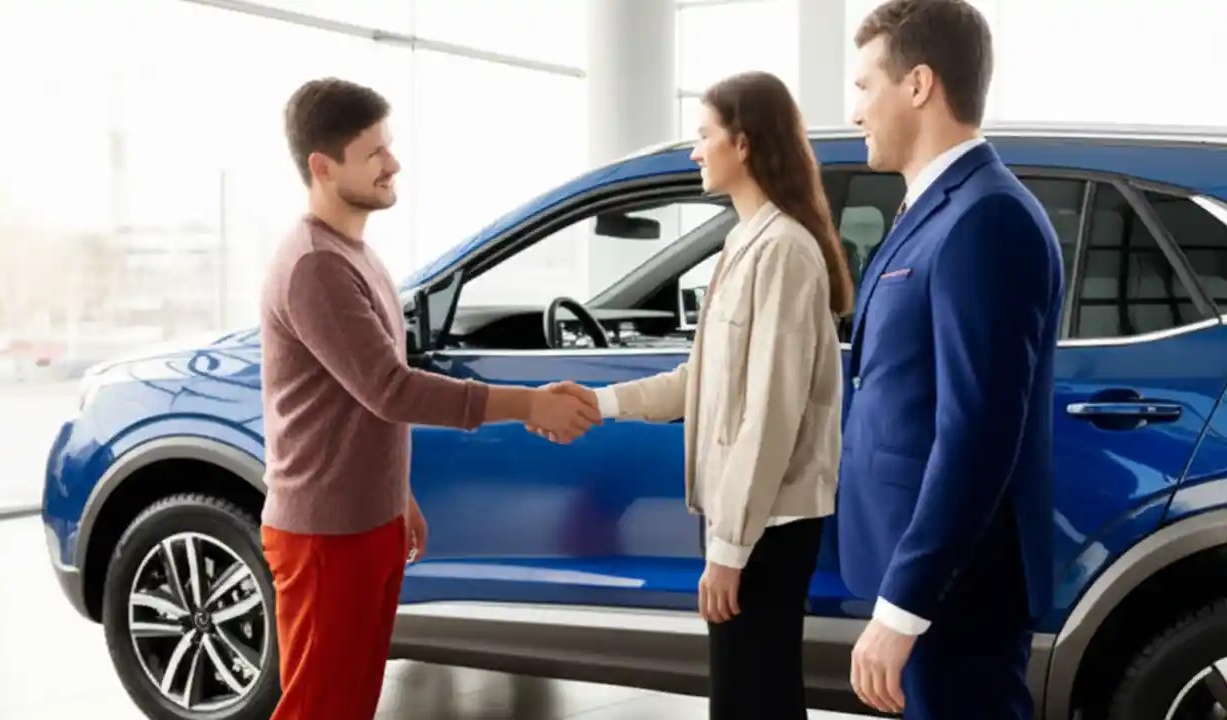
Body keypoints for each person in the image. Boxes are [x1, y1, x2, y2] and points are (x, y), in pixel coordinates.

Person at [257, 77, 601, 720]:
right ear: (322, 167)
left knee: (351, 702)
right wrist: (527, 405)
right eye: (374, 153)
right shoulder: (314, 266)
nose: (393, 164)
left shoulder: (354, 253)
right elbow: (391, 390)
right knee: (319, 706)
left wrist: (397, 494)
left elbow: (361, 398)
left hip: (366, 521)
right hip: (325, 535)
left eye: (389, 146)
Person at [537, 71, 853, 719]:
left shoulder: (785, 253)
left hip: (768, 525)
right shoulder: (743, 243)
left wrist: (729, 553)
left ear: (743, 143)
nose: (694, 150)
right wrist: (600, 403)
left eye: (704, 134)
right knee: (743, 695)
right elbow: (700, 382)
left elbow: (769, 415)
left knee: (752, 699)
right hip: (746, 519)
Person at [838, 1, 1065, 718]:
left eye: (865, 86)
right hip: (926, 580)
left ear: (919, 84)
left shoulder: (986, 218)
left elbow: (976, 435)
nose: (855, 112)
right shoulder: (930, 209)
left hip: (954, 593)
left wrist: (904, 607)